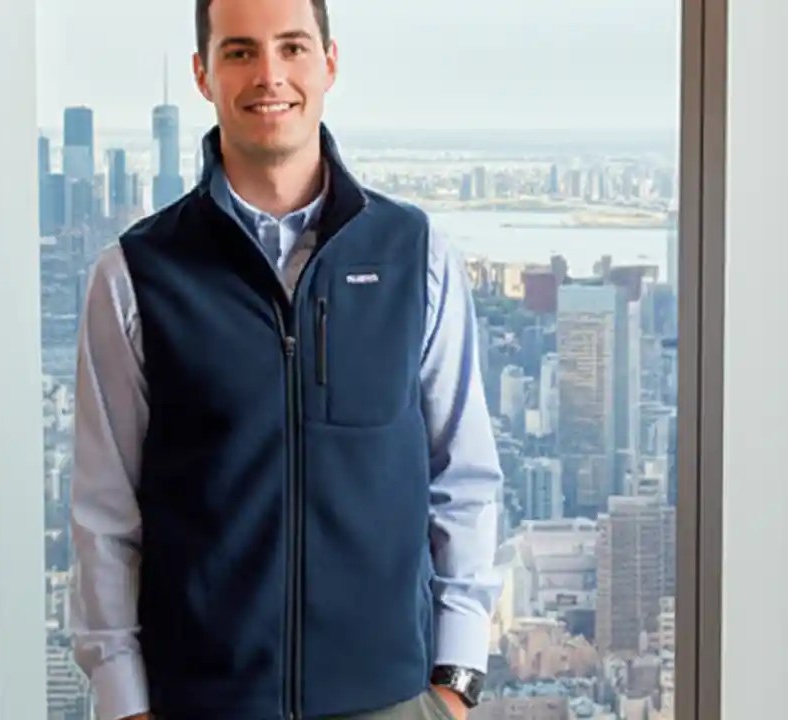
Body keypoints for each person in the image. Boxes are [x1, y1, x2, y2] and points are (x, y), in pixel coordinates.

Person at [69, 0, 503, 718]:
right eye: (240, 52)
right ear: (204, 74)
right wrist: (124, 703)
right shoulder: (136, 275)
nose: (269, 75)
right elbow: (104, 514)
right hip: (201, 705)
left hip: (391, 702)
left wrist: (455, 682)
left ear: (329, 63)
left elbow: (463, 477)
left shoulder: (415, 255)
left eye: (292, 48)